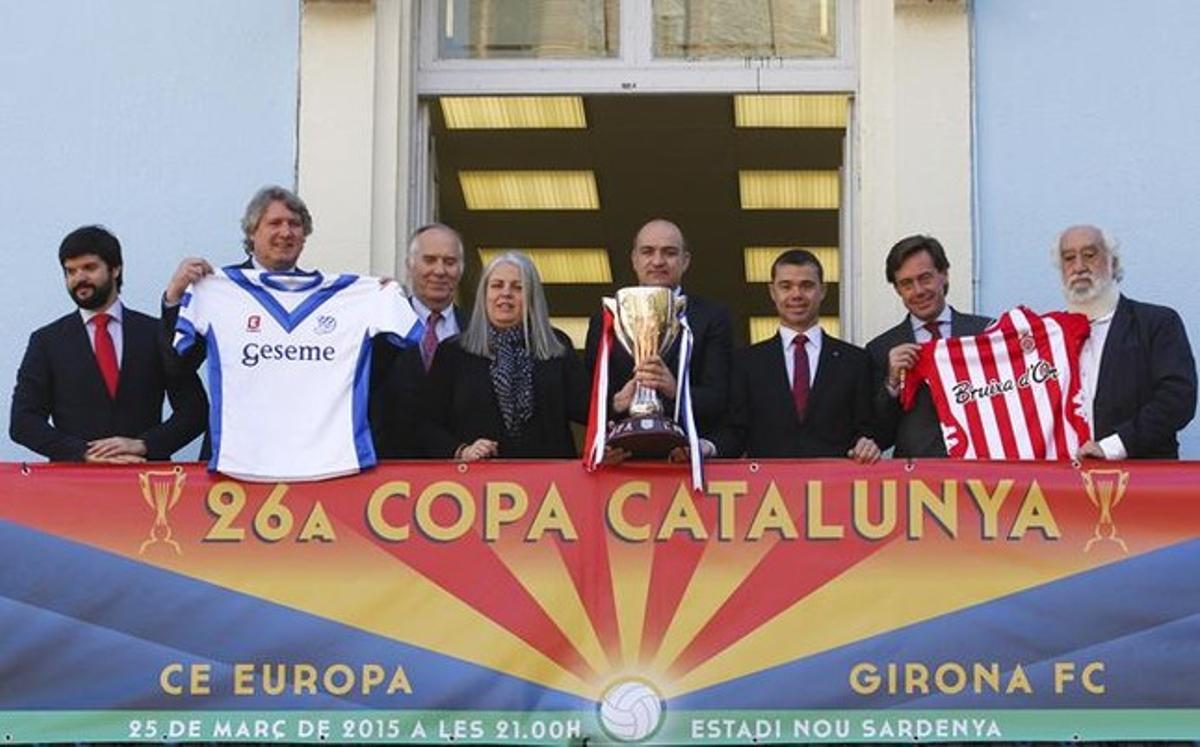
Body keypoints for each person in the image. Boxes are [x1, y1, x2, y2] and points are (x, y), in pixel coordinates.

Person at [10, 226, 206, 462]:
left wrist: (144, 445)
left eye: (89, 267)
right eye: (70, 271)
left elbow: (195, 412)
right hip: (72, 480)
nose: (79, 278)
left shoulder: (155, 333)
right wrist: (83, 452)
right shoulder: (46, 341)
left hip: (145, 476)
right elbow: (23, 421)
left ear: (115, 269)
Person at [702, 250, 880, 462]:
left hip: (834, 481)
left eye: (807, 285)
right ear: (772, 292)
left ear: (822, 291)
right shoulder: (746, 363)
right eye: (786, 286)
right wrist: (706, 448)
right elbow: (736, 432)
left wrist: (867, 444)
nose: (796, 295)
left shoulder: (855, 361)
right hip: (769, 482)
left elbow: (866, 429)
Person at [419, 252, 588, 460]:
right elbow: (427, 424)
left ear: (532, 297)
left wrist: (617, 404)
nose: (506, 293)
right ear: (484, 295)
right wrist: (462, 451)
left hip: (549, 475)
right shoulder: (453, 352)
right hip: (477, 476)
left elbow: (587, 409)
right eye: (497, 285)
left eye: (518, 287)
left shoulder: (557, 346)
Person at [583, 219, 733, 443]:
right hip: (623, 452)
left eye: (669, 253)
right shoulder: (607, 318)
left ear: (685, 261)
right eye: (647, 252)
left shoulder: (712, 317)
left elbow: (721, 398)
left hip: (686, 452)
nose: (658, 261)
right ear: (634, 259)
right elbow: (585, 398)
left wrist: (675, 390)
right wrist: (616, 402)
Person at [1056, 224, 1196, 459]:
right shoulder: (1049, 337)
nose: (1078, 267)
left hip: (1143, 476)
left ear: (1113, 263)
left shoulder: (1157, 323)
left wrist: (1112, 447)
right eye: (1069, 258)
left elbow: (1178, 400)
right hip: (1063, 478)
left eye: (1089, 255)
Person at [866, 234, 990, 457]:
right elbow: (879, 437)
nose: (918, 291)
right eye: (907, 284)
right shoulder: (880, 349)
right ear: (897, 290)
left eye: (925, 278)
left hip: (981, 469)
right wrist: (892, 383)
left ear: (944, 275)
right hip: (917, 474)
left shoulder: (986, 333)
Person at [161, 185, 313, 362]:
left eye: (294, 224)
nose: (286, 233)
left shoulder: (320, 296)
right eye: (275, 223)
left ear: (304, 236)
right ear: (252, 232)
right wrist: (175, 295)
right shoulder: (221, 291)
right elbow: (178, 366)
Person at [371, 223, 468, 458]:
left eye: (449, 262)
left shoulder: (477, 332)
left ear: (461, 269)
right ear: (410, 265)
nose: (440, 271)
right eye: (430, 260)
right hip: (390, 468)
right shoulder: (380, 329)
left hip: (461, 470)